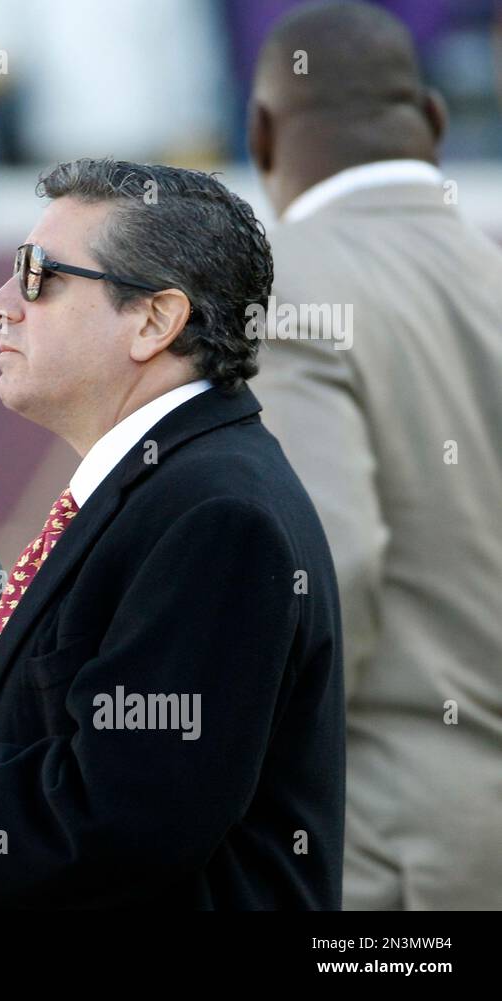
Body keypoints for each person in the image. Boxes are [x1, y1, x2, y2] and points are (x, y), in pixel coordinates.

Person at [0, 158, 346, 909]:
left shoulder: (216, 514)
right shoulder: (173, 487)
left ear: (155, 320)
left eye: (38, 275)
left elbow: (127, 816)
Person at [248, 0, 502, 909]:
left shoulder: (286, 283)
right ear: (434, 119)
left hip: (388, 849)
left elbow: (328, 561)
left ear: (261, 131)